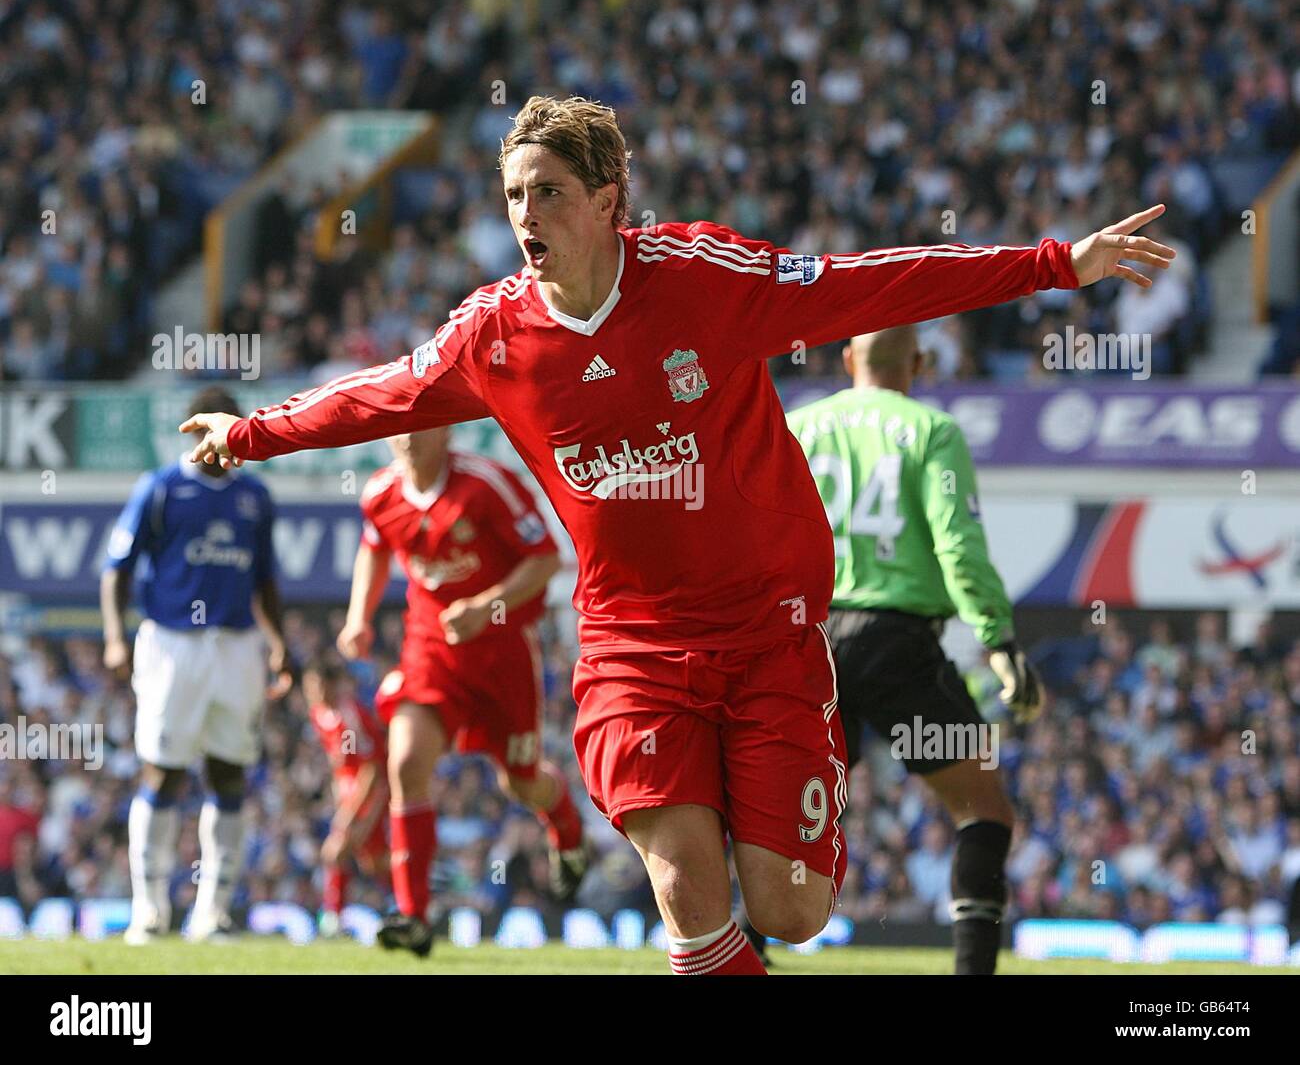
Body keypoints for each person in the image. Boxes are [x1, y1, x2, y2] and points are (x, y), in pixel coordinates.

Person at [179, 95, 1175, 975]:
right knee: (685, 898)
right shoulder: (493, 335)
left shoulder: (704, 275)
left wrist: (1056, 262)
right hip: (632, 645)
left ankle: (783, 804)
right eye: (513, 195)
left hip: (769, 630)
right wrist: (251, 432)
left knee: (788, 909)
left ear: (611, 196)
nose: (526, 216)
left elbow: (869, 283)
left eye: (550, 191)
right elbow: (384, 393)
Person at [784, 325, 1043, 974]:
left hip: (807, 644)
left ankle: (745, 950)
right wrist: (998, 638)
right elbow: (958, 544)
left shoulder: (800, 427)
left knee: (794, 810)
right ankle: (971, 969)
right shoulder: (932, 432)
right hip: (896, 644)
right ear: (920, 362)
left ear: (846, 358)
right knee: (981, 805)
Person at [336, 428, 587, 956]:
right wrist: (359, 617)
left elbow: (544, 558)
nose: (406, 440)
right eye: (396, 431)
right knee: (405, 765)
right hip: (430, 653)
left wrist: (487, 605)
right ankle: (414, 915)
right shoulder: (381, 493)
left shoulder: (487, 484)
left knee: (519, 784)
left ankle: (562, 818)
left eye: (418, 428)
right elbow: (374, 547)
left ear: (445, 429)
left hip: (502, 656)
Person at [103, 385, 293, 944]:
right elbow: (116, 567)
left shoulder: (255, 497)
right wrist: (116, 639)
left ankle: (213, 912)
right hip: (172, 644)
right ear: (193, 432)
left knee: (229, 772)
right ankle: (150, 909)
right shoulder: (160, 490)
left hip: (236, 646)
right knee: (163, 769)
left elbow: (265, 579)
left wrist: (278, 641)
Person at [302, 658, 389, 938]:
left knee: (336, 852)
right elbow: (339, 764)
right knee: (371, 862)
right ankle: (408, 903)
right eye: (309, 687)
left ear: (331, 684)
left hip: (372, 792)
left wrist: (354, 812)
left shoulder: (351, 716)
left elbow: (373, 769)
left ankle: (333, 920)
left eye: (317, 686)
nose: (313, 693)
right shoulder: (319, 714)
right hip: (348, 793)